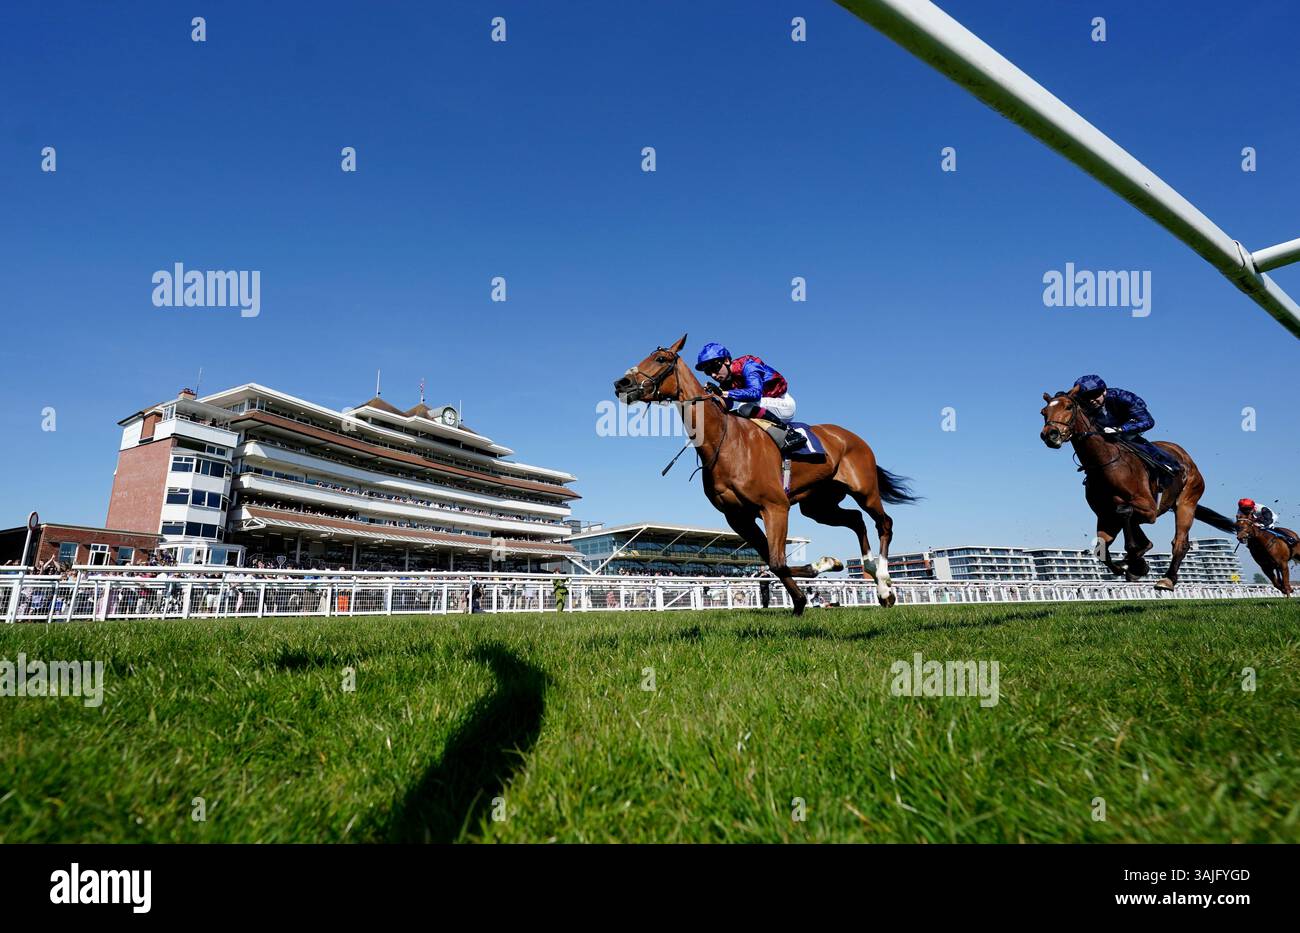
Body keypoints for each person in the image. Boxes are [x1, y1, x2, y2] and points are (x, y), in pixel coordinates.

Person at [695, 343, 805, 455]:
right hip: (764, 406)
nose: (713, 375)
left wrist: (723, 393)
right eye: (708, 372)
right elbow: (727, 406)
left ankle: (789, 433)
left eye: (714, 368)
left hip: (783, 404)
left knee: (744, 407)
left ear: (727, 361)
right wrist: (711, 397)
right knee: (732, 415)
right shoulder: (727, 381)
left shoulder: (749, 365)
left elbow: (755, 393)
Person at [1072, 374, 1181, 482]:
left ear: (1104, 391)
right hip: (1103, 433)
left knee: (1129, 439)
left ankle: (1167, 465)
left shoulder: (1124, 398)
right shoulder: (1082, 404)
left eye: (1094, 395)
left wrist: (1120, 429)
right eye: (1086, 397)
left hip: (1127, 429)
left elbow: (1148, 421)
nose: (1091, 400)